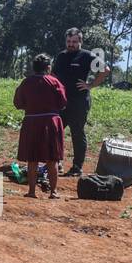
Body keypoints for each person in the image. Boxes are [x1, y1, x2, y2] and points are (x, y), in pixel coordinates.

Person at [51, 28, 109, 177]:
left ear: (80, 42)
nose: (71, 44)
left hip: (79, 101)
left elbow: (105, 70)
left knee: (77, 133)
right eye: (69, 41)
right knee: (55, 131)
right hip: (61, 101)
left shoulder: (87, 55)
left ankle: (77, 166)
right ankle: (57, 163)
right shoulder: (61, 56)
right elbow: (53, 74)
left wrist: (91, 85)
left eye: (74, 42)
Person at [12, 54, 67, 199]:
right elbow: (62, 102)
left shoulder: (26, 82)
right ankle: (53, 192)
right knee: (52, 158)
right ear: (48, 67)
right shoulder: (54, 82)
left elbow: (18, 103)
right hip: (51, 121)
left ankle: (31, 191)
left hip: (31, 122)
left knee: (32, 158)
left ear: (34, 68)